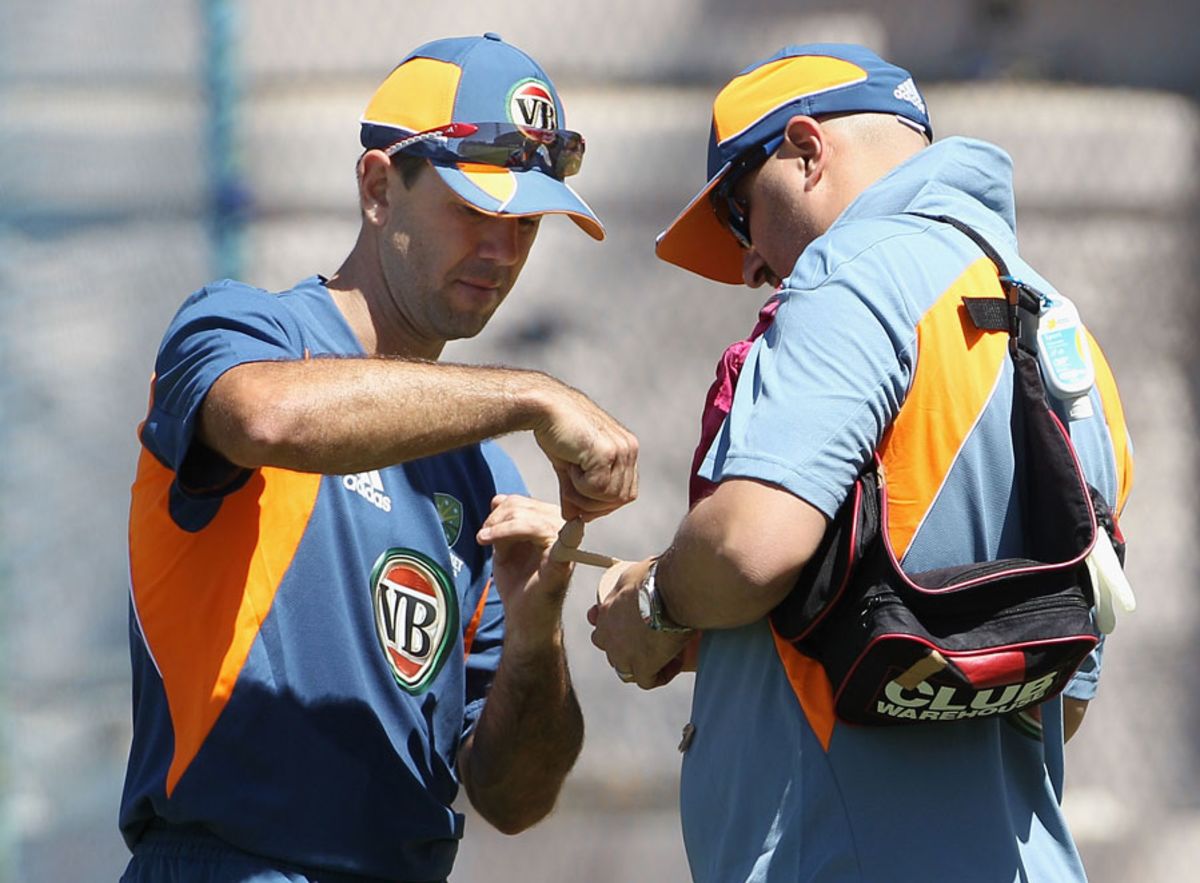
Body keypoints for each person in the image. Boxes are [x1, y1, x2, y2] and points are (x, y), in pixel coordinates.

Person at [591, 43, 1133, 881]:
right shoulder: (1061, 325)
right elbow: (1058, 686)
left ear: (806, 152)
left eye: (740, 211)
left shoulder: (850, 279)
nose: (748, 263)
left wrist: (657, 601)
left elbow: (747, 548)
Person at [119, 33, 637, 883]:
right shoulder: (248, 333)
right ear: (376, 188)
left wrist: (537, 634)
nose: (504, 252)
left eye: (525, 223)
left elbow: (512, 798)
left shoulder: (485, 478)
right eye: (474, 208)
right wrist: (535, 395)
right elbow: (264, 418)